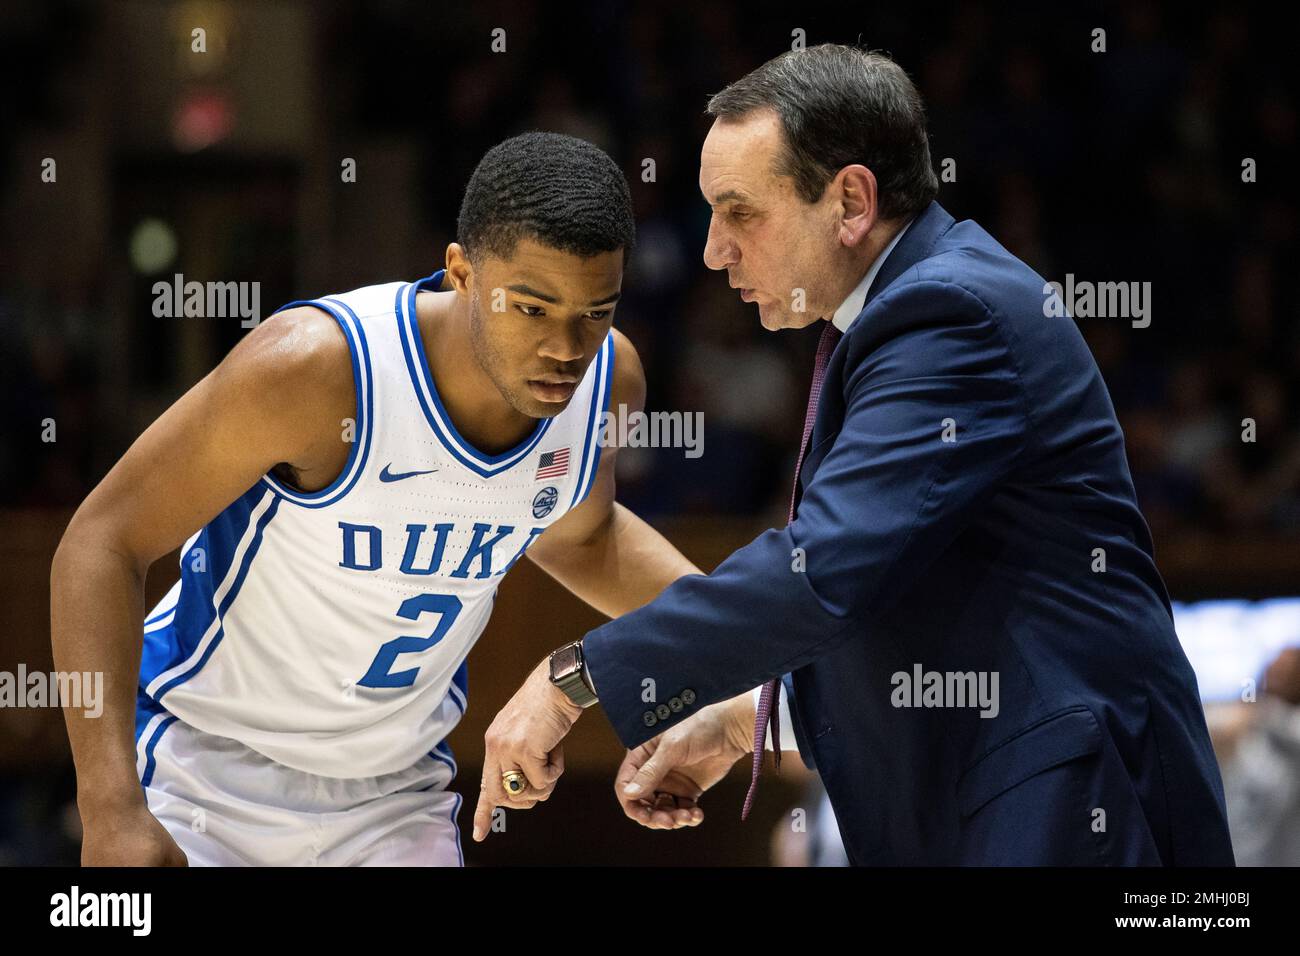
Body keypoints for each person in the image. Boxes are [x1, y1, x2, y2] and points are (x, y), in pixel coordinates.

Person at [476, 46, 1236, 866]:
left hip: (1074, 812)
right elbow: (911, 606)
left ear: (850, 199)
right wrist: (745, 718)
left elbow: (824, 571)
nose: (713, 251)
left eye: (739, 213)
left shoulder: (952, 315)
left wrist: (574, 676)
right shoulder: (909, 311)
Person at [51, 132, 700, 866]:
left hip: (396, 797)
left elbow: (577, 535)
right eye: (531, 308)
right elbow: (101, 543)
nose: (565, 347)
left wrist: (737, 629)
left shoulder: (609, 387)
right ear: (461, 271)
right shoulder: (315, 370)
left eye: (596, 311)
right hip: (204, 769)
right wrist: (107, 809)